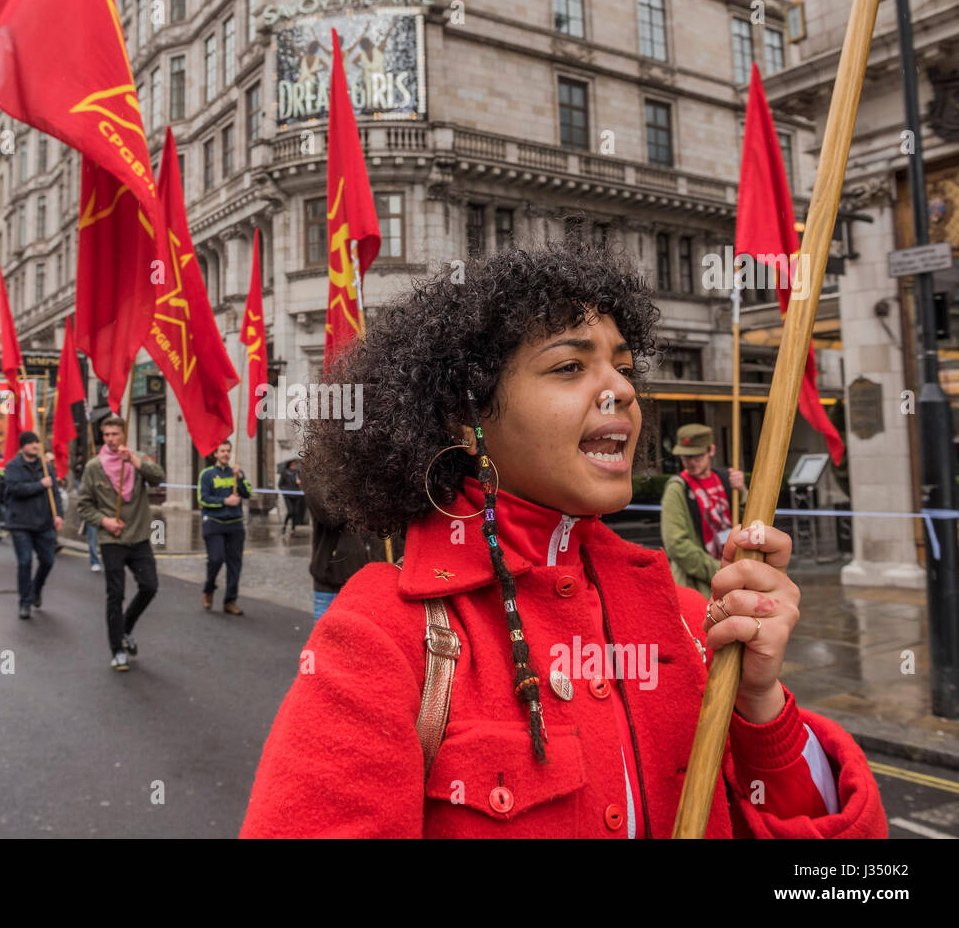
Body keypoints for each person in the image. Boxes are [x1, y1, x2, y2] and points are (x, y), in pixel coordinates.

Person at [239, 245, 885, 838]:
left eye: (625, 367)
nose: (622, 390)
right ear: (466, 419)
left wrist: (759, 701)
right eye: (571, 365)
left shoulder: (692, 624)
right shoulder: (383, 633)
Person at [78, 415, 163, 672]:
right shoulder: (94, 466)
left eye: (115, 434)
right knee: (115, 594)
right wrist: (104, 521)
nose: (111, 440)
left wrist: (135, 462)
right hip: (111, 539)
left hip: (138, 537)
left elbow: (158, 478)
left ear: (124, 435)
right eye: (107, 435)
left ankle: (125, 627)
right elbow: (84, 505)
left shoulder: (137, 458)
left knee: (150, 586)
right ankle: (116, 650)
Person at [660, 423, 748, 598]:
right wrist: (720, 570)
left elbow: (751, 524)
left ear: (711, 450)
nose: (691, 462)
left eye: (697, 456)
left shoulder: (726, 479)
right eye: (686, 457)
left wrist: (743, 491)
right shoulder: (677, 488)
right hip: (698, 586)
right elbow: (676, 544)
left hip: (735, 577)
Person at [303, 470, 399, 625]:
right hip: (334, 582)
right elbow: (328, 512)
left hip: (378, 582)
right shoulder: (316, 460)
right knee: (331, 645)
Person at [4, 430, 63, 620]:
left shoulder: (46, 468)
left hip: (44, 522)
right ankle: (25, 602)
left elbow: (55, 493)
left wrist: (58, 515)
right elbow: (14, 489)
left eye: (37, 443)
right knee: (25, 562)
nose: (35, 446)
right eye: (31, 443)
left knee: (48, 561)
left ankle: (36, 588)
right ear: (23, 447)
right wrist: (40, 485)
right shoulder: (13, 466)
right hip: (21, 523)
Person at [197, 440, 252, 616]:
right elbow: (202, 498)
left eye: (228, 451)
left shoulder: (236, 473)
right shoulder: (207, 474)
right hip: (214, 523)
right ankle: (209, 588)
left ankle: (230, 600)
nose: (226, 454)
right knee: (216, 559)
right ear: (215, 454)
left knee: (235, 563)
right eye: (222, 451)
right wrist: (224, 501)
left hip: (235, 524)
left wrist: (241, 478)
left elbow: (248, 493)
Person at [278, 459, 304, 541]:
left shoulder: (297, 473)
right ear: (289, 465)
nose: (294, 466)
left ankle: (293, 530)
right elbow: (280, 485)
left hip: (297, 495)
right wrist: (285, 492)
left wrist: (300, 484)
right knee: (290, 511)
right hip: (288, 496)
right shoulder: (284, 473)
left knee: (295, 513)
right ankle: (284, 526)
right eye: (293, 465)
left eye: (295, 465)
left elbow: (302, 484)